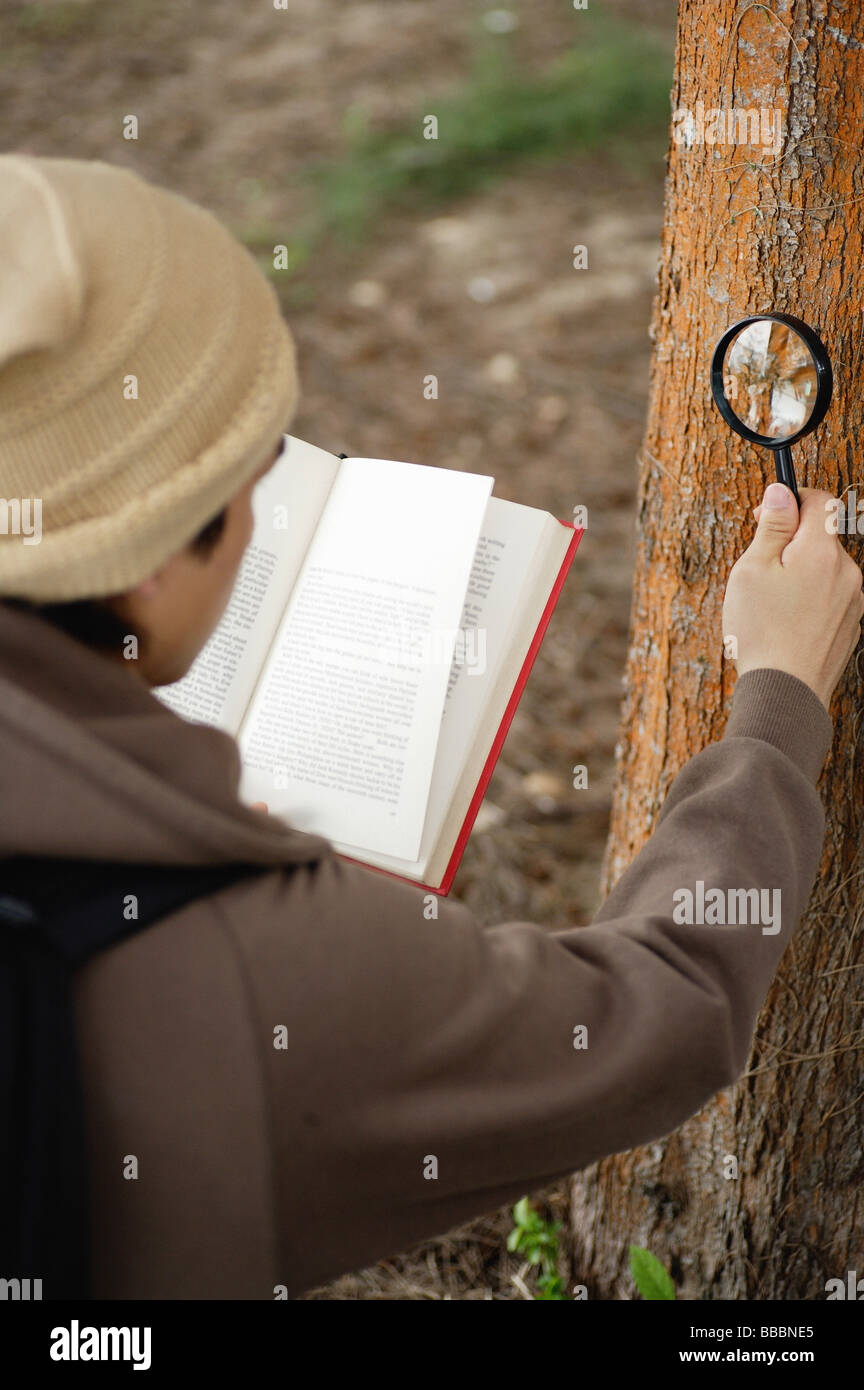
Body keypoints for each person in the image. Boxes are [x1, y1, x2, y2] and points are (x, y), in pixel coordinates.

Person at [1, 154, 861, 1300]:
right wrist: (779, 697)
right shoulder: (248, 960)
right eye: (260, 465)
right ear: (154, 566)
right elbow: (656, 1012)